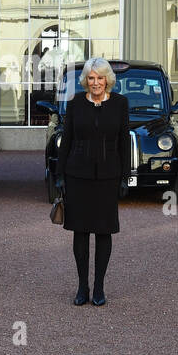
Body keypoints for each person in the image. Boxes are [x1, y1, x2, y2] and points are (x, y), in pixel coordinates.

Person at [55, 57, 130, 306]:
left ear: (108, 79)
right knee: (80, 231)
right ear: (85, 81)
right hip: (78, 176)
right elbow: (66, 141)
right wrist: (59, 176)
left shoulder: (120, 103)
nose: (96, 82)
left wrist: (125, 177)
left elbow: (123, 142)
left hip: (108, 177)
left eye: (100, 78)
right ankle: (82, 288)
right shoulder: (76, 103)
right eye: (91, 78)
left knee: (104, 231)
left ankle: (99, 288)